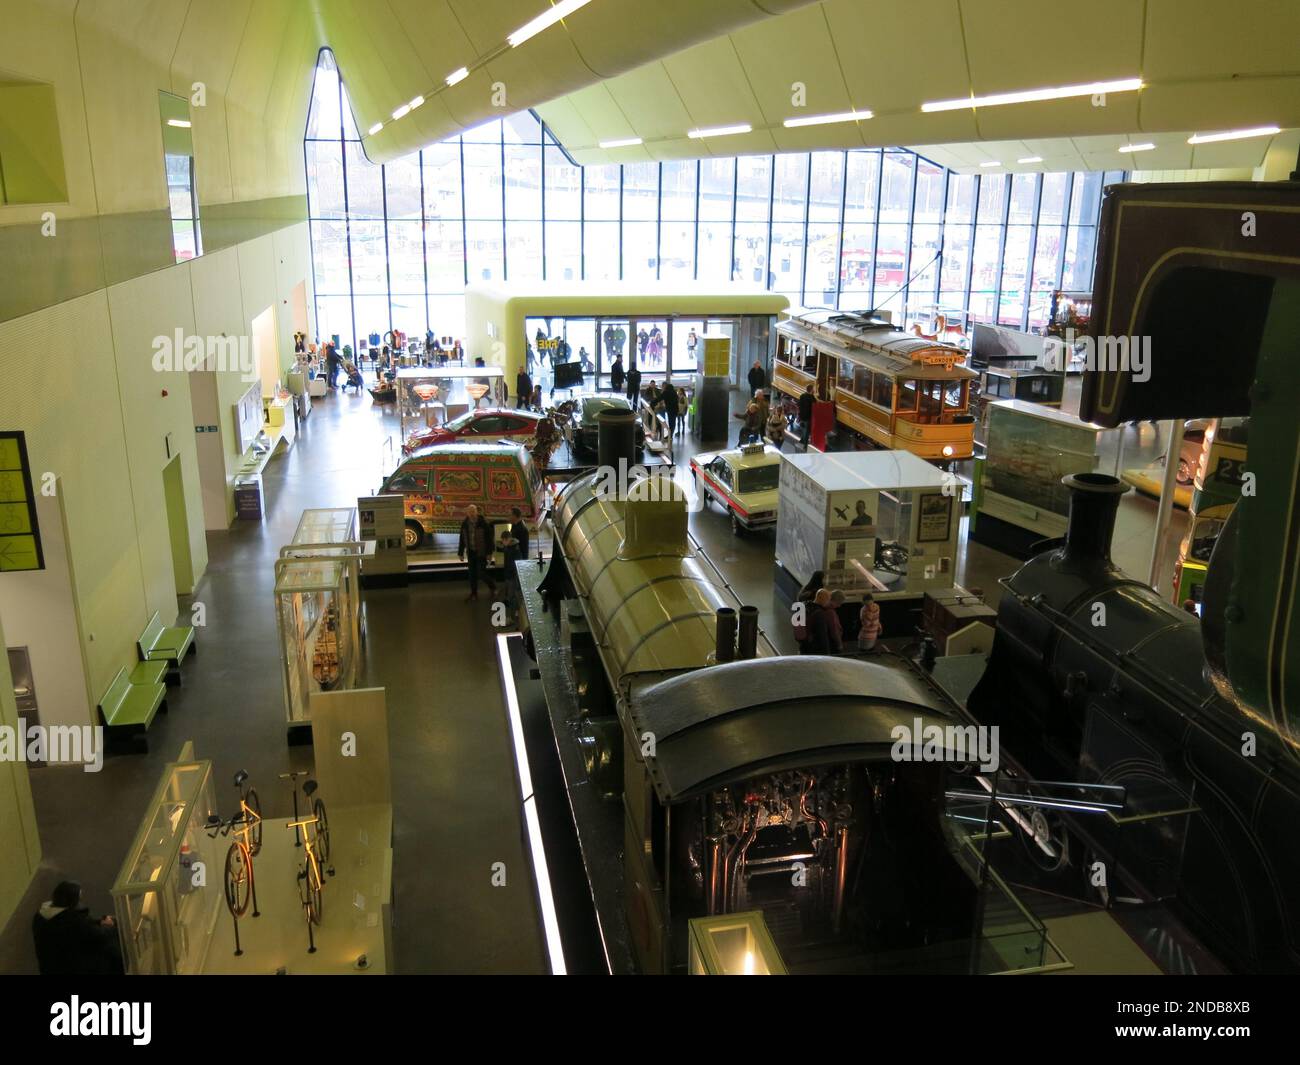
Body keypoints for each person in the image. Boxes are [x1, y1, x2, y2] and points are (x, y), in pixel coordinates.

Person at [32, 881, 124, 975]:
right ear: (72, 902)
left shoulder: (41, 916)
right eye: (78, 899)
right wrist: (109, 925)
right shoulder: (72, 920)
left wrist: (99, 922)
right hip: (72, 967)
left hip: (52, 966)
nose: (80, 902)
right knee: (113, 950)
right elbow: (98, 935)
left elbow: (82, 927)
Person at [457, 505, 497, 602]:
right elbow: (462, 538)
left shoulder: (483, 523)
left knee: (481, 573)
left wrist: (489, 553)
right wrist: (461, 552)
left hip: (481, 553)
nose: (471, 514)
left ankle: (493, 587)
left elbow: (489, 539)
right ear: (467, 513)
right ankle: (474, 593)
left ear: (476, 512)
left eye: (473, 511)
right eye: (469, 512)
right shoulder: (465, 524)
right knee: (472, 574)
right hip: (471, 552)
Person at [802, 589, 835, 654]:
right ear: (823, 599)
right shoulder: (819, 614)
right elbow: (822, 635)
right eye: (828, 599)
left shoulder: (806, 607)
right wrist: (826, 652)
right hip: (815, 649)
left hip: (804, 646)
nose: (828, 602)